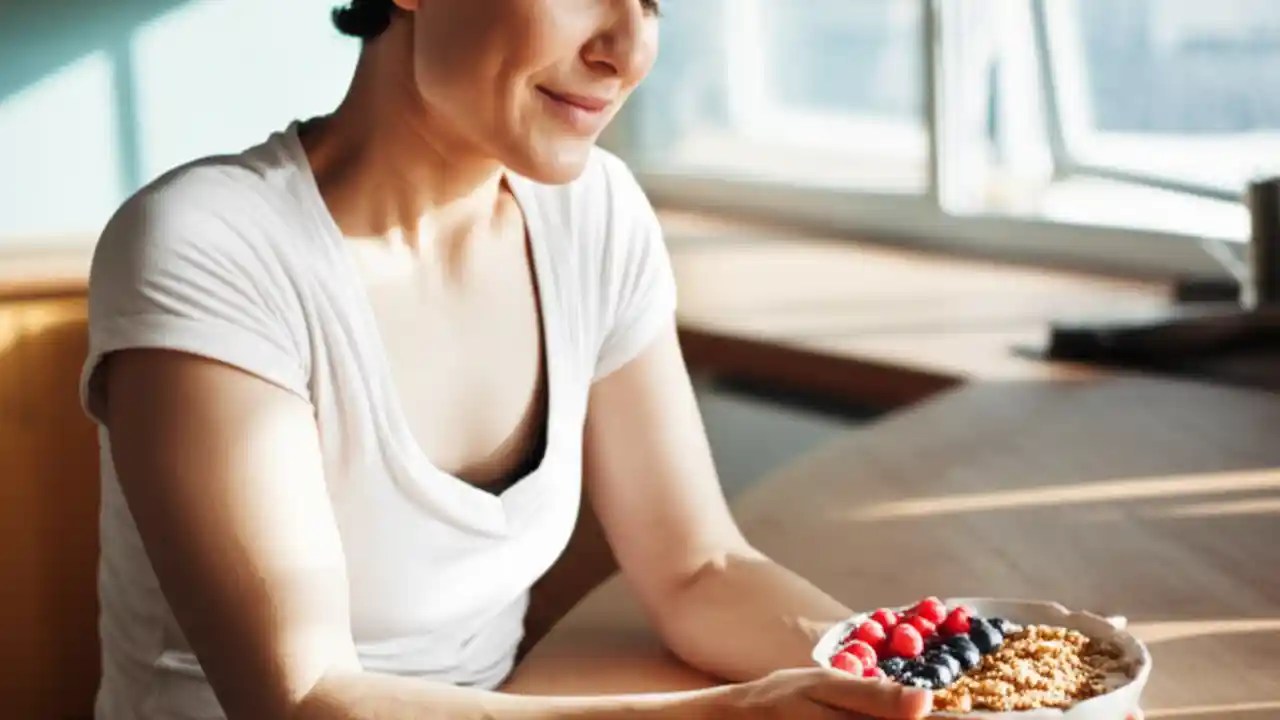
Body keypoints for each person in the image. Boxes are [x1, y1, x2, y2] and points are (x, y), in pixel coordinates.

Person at [79, 1, 1139, 719]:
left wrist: (915, 681)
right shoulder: (209, 244)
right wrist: (719, 713)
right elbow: (301, 693)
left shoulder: (591, 214)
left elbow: (696, 569)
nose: (627, 50)